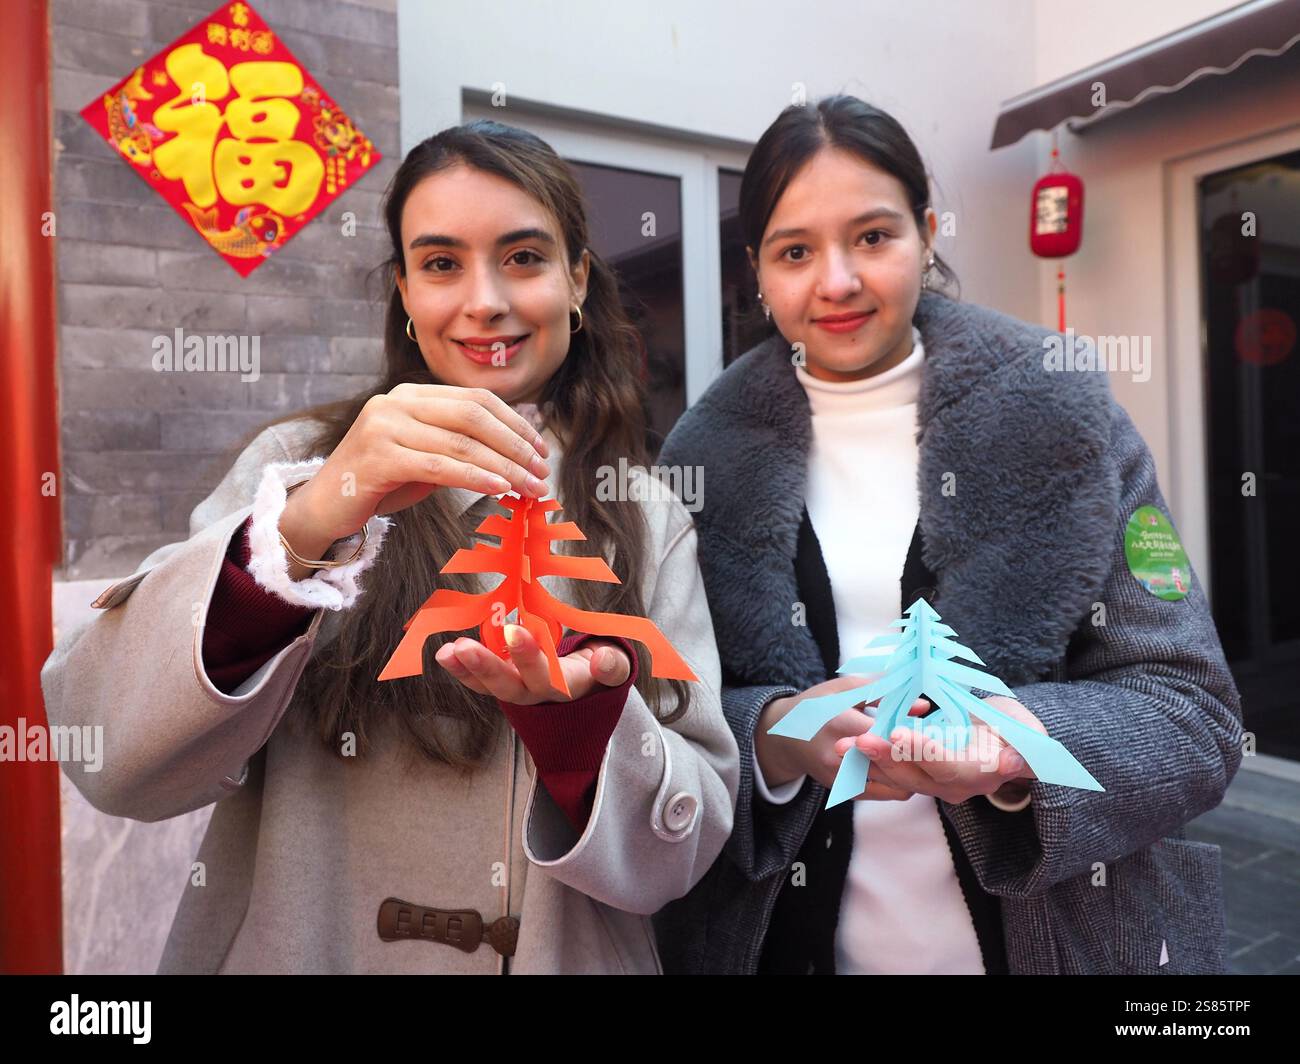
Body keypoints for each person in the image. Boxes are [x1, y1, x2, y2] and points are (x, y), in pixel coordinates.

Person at [41, 120, 737, 975]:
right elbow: (105, 754)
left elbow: (686, 845)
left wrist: (577, 725)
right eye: (442, 264)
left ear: (578, 279)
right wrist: (307, 525)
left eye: (523, 257)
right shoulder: (296, 467)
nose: (485, 301)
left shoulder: (649, 514)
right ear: (404, 292)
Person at [653, 95, 1242, 975]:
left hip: (1057, 940)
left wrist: (1019, 747)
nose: (838, 281)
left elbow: (1194, 714)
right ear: (758, 271)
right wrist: (774, 732)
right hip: (786, 942)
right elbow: (674, 719)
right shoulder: (703, 457)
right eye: (795, 251)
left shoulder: (1060, 413)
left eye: (874, 237)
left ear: (928, 233)